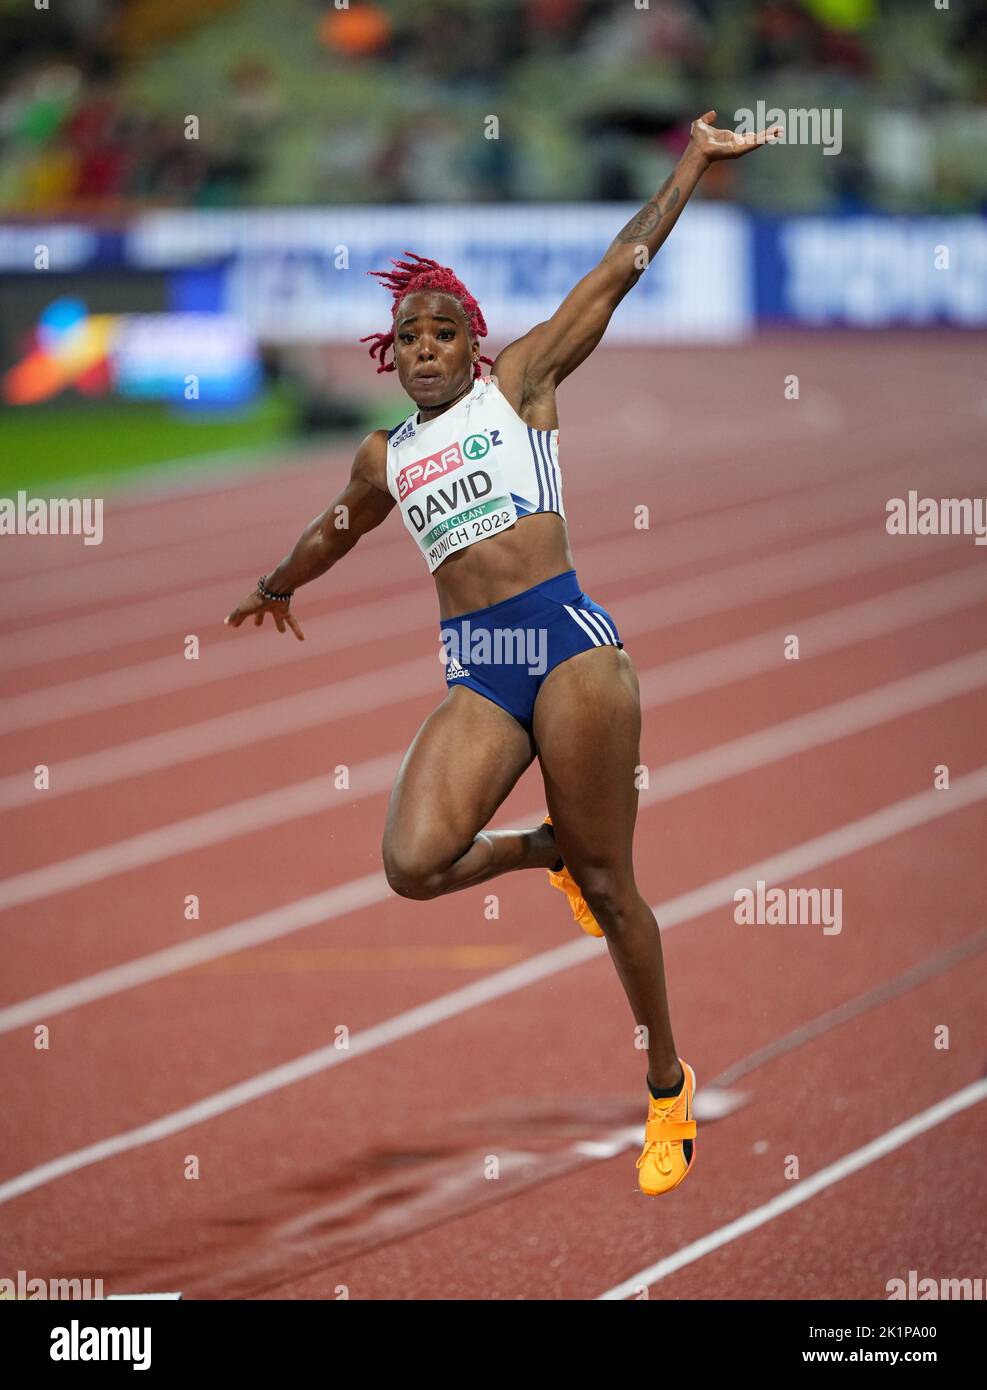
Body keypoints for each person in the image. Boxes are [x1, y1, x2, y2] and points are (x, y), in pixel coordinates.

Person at [226, 111, 780, 1196]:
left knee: (618, 889)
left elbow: (619, 268)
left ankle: (667, 1088)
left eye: (443, 331)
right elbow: (340, 524)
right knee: (414, 861)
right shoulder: (386, 454)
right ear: (391, 354)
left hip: (568, 645)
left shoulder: (519, 384)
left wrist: (693, 165)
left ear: (471, 343)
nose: (427, 346)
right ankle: (546, 852)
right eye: (410, 335)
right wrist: (278, 584)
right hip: (478, 667)